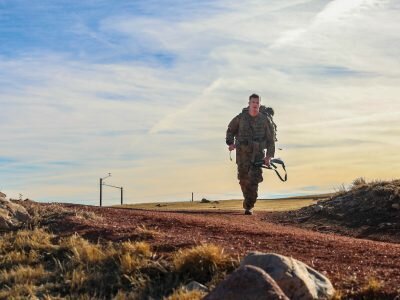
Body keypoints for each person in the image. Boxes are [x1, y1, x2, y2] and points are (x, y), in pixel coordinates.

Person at [226, 93, 275, 215]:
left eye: (257, 103)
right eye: (253, 102)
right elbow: (230, 130)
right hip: (242, 155)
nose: (255, 105)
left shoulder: (265, 120)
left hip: (257, 154)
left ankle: (249, 206)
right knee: (243, 180)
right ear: (249, 104)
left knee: (253, 180)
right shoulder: (241, 118)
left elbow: (270, 140)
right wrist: (230, 143)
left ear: (259, 104)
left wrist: (268, 156)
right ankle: (247, 201)